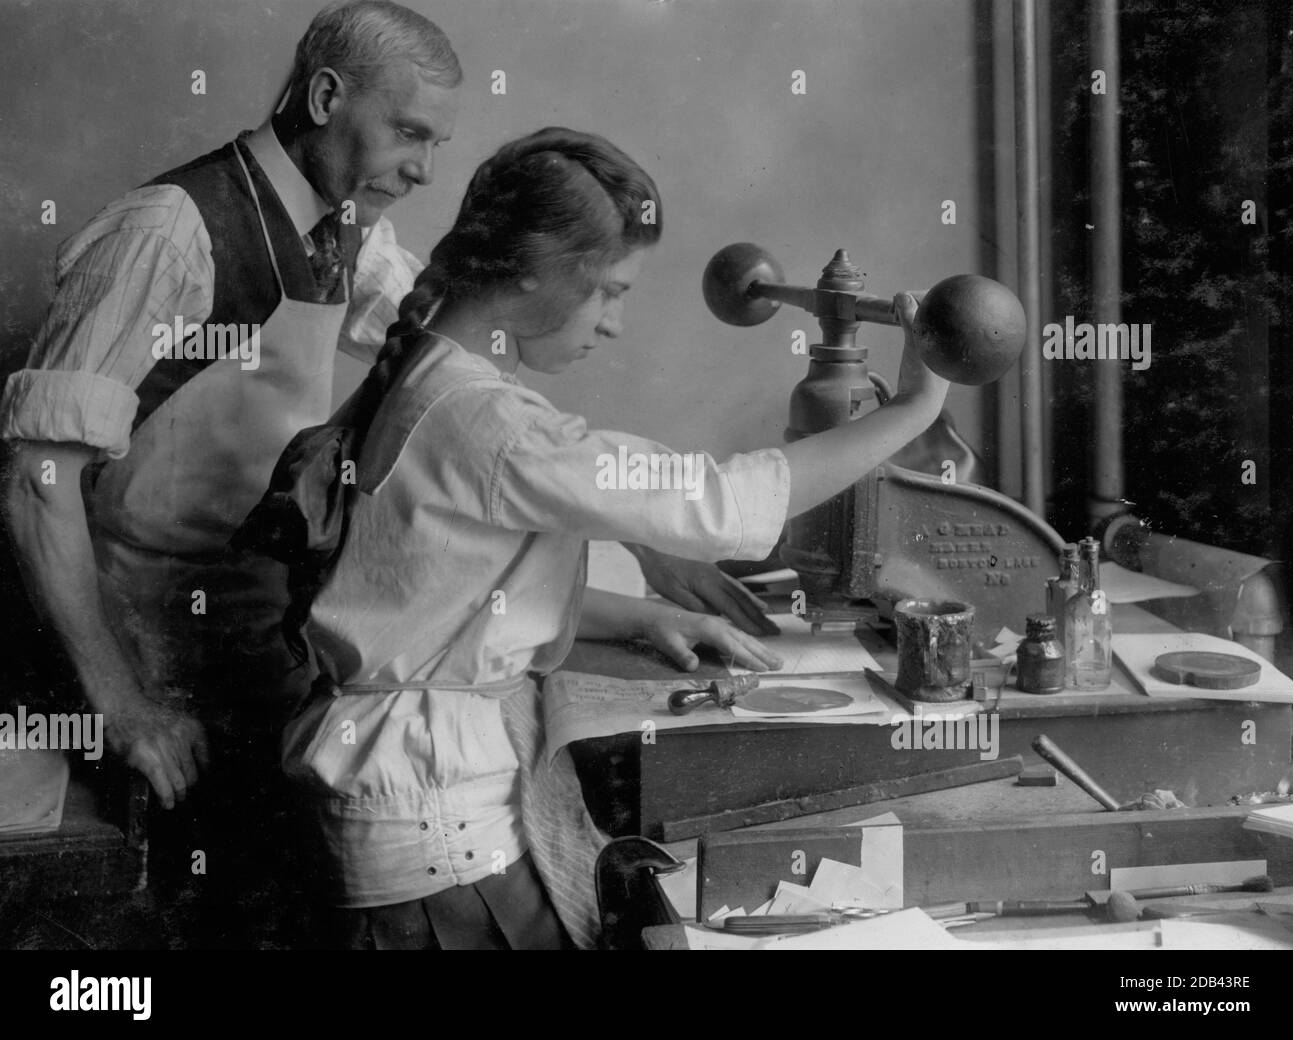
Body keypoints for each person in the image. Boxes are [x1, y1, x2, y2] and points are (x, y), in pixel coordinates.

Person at [0, 1, 769, 946]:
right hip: (162, 681)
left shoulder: (346, 237)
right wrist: (126, 708)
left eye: (439, 144)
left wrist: (641, 557)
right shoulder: (172, 233)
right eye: (407, 132)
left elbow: (463, 390)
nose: (424, 168)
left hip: (264, 670)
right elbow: (35, 482)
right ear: (325, 96)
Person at [280, 127, 951, 949]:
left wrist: (638, 617)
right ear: (531, 272)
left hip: (404, 812)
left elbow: (437, 600)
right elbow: (715, 499)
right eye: (609, 292)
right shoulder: (485, 418)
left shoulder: (425, 370)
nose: (614, 325)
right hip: (432, 834)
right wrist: (911, 409)